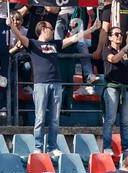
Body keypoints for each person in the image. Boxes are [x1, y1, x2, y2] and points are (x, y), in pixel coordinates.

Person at [12, 16, 99, 157]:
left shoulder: (55, 44)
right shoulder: (33, 43)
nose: (53, 31)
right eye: (51, 29)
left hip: (57, 83)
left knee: (54, 118)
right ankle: (38, 146)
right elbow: (20, 37)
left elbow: (73, 39)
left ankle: (52, 147)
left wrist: (91, 29)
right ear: (43, 29)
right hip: (40, 84)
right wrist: (12, 26)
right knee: (40, 117)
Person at [100, 26, 128, 157]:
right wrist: (125, 47)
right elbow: (114, 59)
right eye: (116, 34)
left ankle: (126, 147)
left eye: (121, 34)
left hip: (126, 88)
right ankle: (107, 146)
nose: (119, 36)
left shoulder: (125, 50)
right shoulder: (107, 50)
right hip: (112, 87)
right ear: (110, 37)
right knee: (110, 119)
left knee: (125, 121)